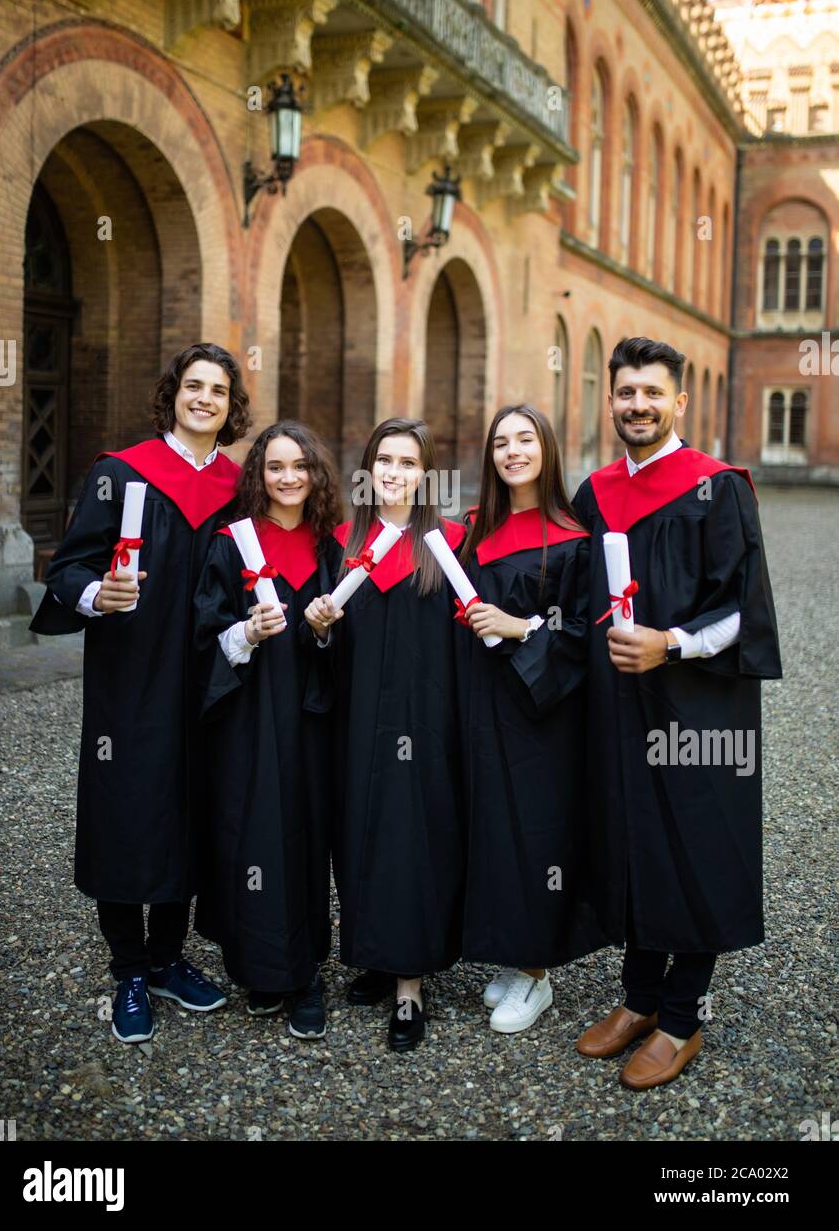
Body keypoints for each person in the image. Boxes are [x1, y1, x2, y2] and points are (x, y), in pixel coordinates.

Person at [572, 336, 782, 1089]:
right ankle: (640, 999)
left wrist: (674, 643)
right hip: (618, 706)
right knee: (631, 837)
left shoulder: (716, 488)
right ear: (612, 399)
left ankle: (685, 1015)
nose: (638, 405)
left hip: (700, 706)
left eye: (652, 394)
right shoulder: (593, 494)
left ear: (679, 402)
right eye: (626, 393)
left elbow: (747, 612)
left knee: (695, 843)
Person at [30, 343, 250, 1043]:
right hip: (130, 680)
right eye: (194, 386)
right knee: (128, 812)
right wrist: (101, 591)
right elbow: (66, 573)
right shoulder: (118, 476)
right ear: (173, 394)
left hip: (210, 676)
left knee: (189, 808)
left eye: (218, 390)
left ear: (231, 405)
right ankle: (128, 969)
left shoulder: (237, 488)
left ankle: (167, 957)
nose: (205, 399)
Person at [306, 418, 466, 1052]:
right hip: (358, 720)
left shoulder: (451, 544)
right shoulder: (342, 543)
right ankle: (374, 953)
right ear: (368, 471)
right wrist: (317, 626)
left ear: (426, 473)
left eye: (409, 461)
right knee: (361, 833)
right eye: (384, 461)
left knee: (414, 839)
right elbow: (323, 640)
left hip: (427, 723)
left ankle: (410, 985)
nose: (395, 472)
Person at [458, 405, 606, 1034]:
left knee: (537, 829)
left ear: (546, 447)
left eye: (524, 440)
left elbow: (586, 630)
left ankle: (539, 972)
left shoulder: (573, 534)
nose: (512, 452)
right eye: (500, 443)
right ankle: (515, 956)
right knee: (491, 822)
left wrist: (519, 626)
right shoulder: (474, 529)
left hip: (543, 708)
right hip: (480, 701)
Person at [192, 421, 342, 1039]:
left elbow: (342, 642)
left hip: (308, 719)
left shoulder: (330, 548)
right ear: (258, 475)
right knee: (250, 831)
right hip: (248, 717)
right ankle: (258, 969)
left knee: (304, 833)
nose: (288, 478)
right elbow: (204, 634)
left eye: (299, 466)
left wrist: (326, 627)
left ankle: (303, 973)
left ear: (315, 475)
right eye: (275, 467)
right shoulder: (231, 542)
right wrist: (247, 633)